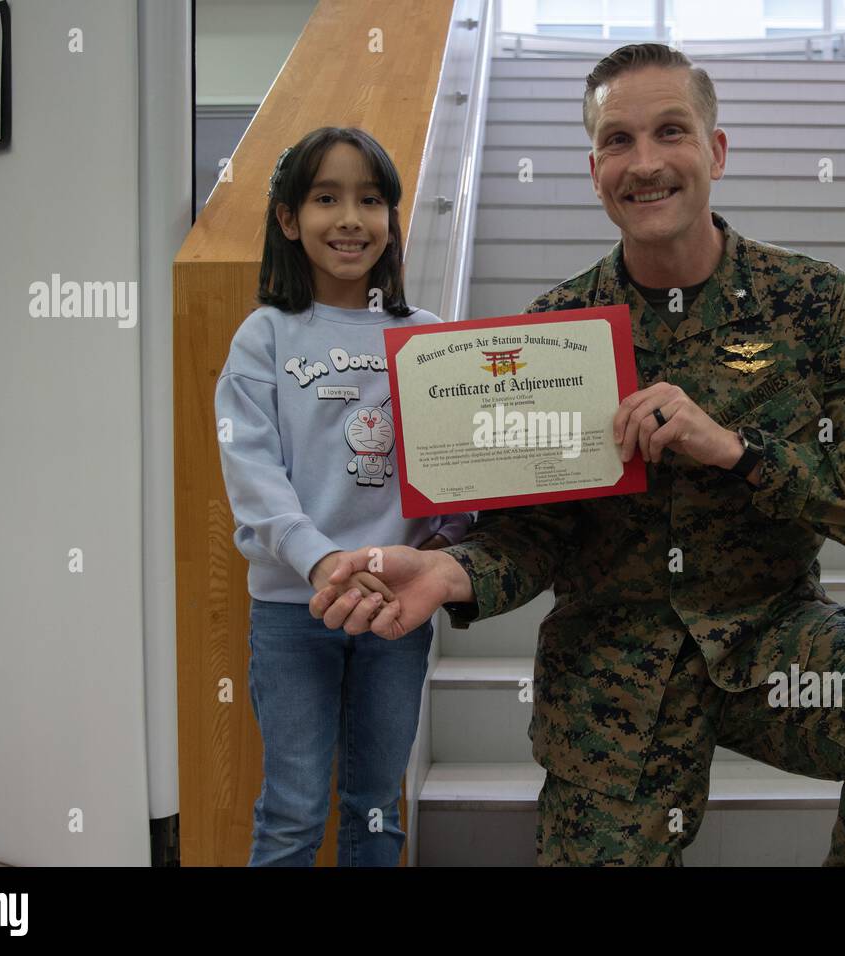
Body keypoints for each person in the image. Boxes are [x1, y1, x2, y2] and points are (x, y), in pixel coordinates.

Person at [311, 44, 845, 866]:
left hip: (771, 642)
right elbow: (533, 535)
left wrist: (742, 453)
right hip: (614, 672)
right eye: (617, 141)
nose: (644, 164)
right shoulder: (548, 338)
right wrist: (450, 573)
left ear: (714, 149)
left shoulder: (819, 309)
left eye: (670, 132)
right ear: (593, 167)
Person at [215, 126, 472, 866]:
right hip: (294, 613)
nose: (351, 218)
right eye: (326, 198)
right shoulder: (263, 336)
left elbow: (456, 480)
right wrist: (324, 562)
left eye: (370, 199)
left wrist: (444, 548)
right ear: (290, 219)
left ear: (393, 219)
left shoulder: (427, 338)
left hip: (397, 613)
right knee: (292, 811)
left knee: (373, 807)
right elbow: (254, 478)